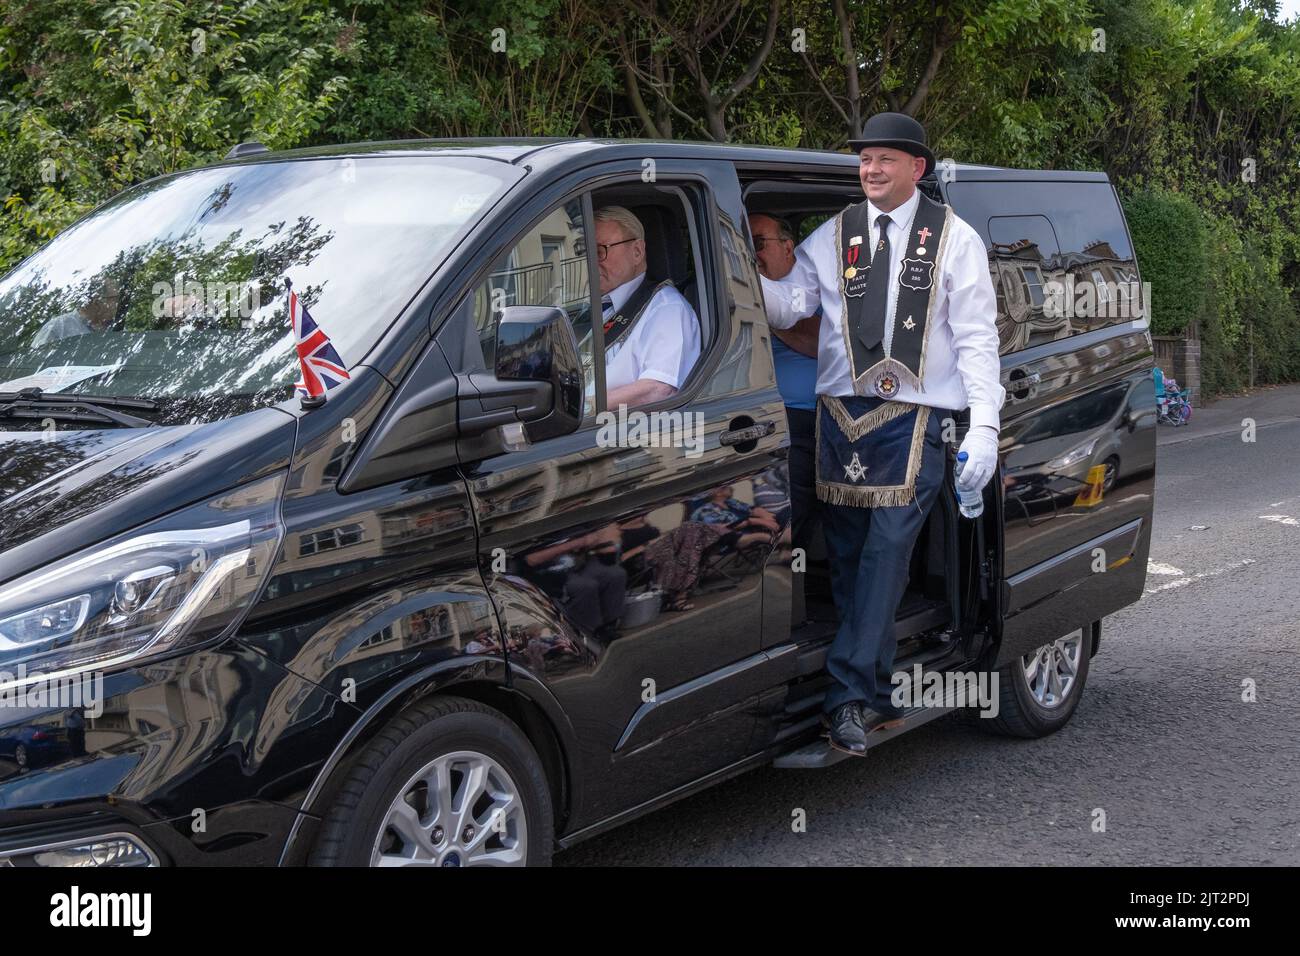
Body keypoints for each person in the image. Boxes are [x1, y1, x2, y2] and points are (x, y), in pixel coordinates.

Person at [758, 111, 1004, 756]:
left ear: (916, 168)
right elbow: (791, 307)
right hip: (843, 416)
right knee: (847, 562)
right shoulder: (836, 233)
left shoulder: (954, 238)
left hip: (917, 419)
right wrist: (738, 268)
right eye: (865, 159)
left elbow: (978, 339)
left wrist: (985, 426)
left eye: (884, 159)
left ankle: (847, 698)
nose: (870, 169)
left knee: (883, 557)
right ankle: (880, 681)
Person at [749, 212, 824, 615]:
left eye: (758, 243)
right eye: (744, 245)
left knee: (783, 529)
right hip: (751, 420)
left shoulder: (815, 285)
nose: (752, 254)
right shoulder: (739, 291)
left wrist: (767, 315)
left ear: (787, 246)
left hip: (803, 420)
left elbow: (821, 341)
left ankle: (789, 622)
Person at [593, 206, 701, 409]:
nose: (589, 261)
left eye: (599, 251)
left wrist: (584, 409)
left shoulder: (667, 309)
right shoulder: (589, 308)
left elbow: (658, 389)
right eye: (584, 251)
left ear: (637, 252)